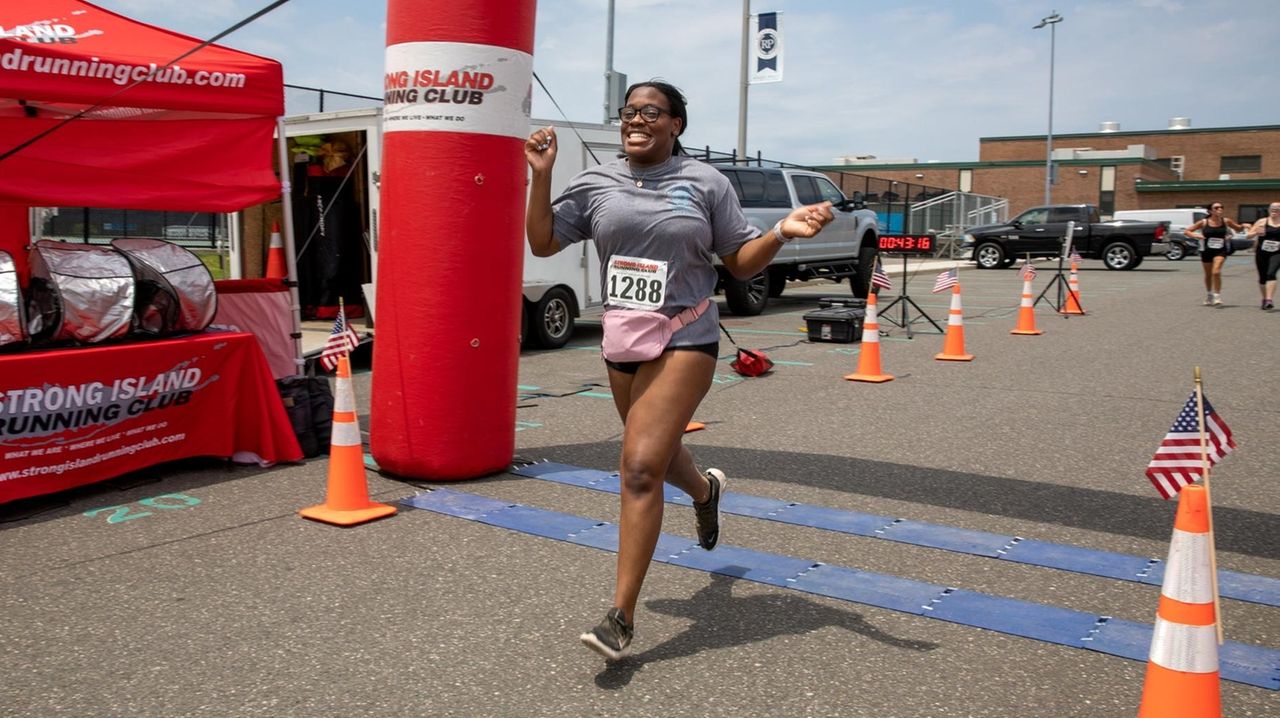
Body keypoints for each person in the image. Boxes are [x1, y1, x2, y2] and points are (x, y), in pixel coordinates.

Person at [524, 80, 834, 660]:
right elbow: (542, 242)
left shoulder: (706, 183)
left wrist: (779, 234)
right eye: (628, 111)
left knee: (640, 466)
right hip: (623, 335)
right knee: (660, 456)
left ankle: (621, 617)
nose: (635, 119)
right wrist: (541, 174)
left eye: (650, 111)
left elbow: (739, 263)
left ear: (676, 125)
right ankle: (705, 490)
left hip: (686, 334)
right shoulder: (596, 182)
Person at [1184, 202, 1246, 306]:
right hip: (1206, 250)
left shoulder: (1226, 221)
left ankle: (1217, 296)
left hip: (1220, 250)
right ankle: (1209, 295)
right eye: (1216, 208)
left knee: (1216, 272)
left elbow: (1238, 228)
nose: (1220, 209)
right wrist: (1196, 236)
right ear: (1210, 211)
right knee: (1208, 275)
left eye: (1221, 207)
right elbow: (1187, 231)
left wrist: (1244, 226)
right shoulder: (1203, 222)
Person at [1246, 202, 1280, 310]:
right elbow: (1248, 236)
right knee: (1262, 277)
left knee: (1271, 273)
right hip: (1262, 252)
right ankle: (1265, 299)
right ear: (1269, 210)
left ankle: (1269, 299)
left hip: (1277, 252)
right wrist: (1256, 232)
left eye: (1277, 208)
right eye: (1273, 208)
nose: (1275, 210)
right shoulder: (1262, 221)